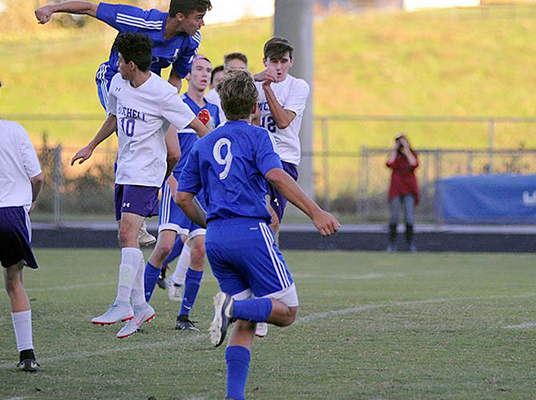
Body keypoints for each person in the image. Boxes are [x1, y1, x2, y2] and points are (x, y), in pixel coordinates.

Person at [174, 70, 339, 400]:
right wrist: (315, 212)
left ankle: (234, 395)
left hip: (217, 239)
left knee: (247, 322)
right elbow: (276, 175)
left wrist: (210, 222)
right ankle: (230, 307)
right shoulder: (258, 136)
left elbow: (182, 197)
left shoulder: (204, 143)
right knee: (287, 311)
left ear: (222, 105)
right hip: (250, 232)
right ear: (254, 107)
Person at [35, 0, 212, 247]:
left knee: (173, 153)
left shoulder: (191, 40)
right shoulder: (139, 20)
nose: (202, 23)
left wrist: (167, 105)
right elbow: (90, 8)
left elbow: (176, 78)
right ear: (180, 16)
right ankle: (132, 215)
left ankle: (144, 202)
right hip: (114, 80)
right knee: (131, 134)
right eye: (198, 17)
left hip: (150, 92)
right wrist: (51, 8)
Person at [70, 33, 210, 339]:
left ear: (131, 65)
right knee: (126, 239)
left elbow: (200, 128)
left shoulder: (163, 94)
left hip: (146, 173)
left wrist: (213, 164)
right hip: (124, 170)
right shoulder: (118, 83)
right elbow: (113, 117)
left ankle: (123, 303)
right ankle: (140, 306)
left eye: (120, 61)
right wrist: (91, 146)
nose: (116, 64)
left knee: (127, 235)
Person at [142, 55, 220, 332]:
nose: (204, 74)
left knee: (199, 249)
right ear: (188, 74)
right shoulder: (177, 103)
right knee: (165, 246)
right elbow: (168, 147)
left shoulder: (214, 110)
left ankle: (183, 316)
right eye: (198, 69)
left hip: (202, 191)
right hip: (178, 185)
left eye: (208, 70)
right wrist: (171, 180)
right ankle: (140, 309)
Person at [0, 81, 45, 371]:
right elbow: (37, 177)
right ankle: (27, 356)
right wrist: (32, 200)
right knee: (15, 281)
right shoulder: (15, 130)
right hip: (13, 214)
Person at [252, 38, 310, 242]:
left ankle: (270, 257)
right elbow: (225, 90)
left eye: (283, 61)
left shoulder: (298, 86)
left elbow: (283, 121)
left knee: (273, 222)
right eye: (274, 61)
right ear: (264, 61)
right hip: (257, 158)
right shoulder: (253, 85)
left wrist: (267, 88)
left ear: (291, 62)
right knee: (261, 218)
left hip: (284, 158)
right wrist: (254, 78)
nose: (278, 67)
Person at [385, 133, 420, 253]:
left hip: (408, 190)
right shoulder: (395, 156)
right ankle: (392, 244)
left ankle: (410, 244)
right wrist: (395, 149)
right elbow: (389, 163)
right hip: (396, 190)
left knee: (409, 218)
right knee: (394, 218)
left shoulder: (412, 155)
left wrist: (406, 149)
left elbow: (414, 164)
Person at [206, 52, 249, 126]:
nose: (237, 75)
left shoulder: (251, 93)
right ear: (225, 71)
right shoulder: (212, 96)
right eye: (232, 70)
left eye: (241, 70)